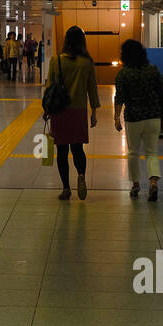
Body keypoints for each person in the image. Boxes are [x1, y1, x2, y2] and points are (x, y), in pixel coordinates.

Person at [45, 26, 99, 200]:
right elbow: (92, 88)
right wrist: (94, 112)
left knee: (61, 151)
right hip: (79, 111)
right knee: (77, 148)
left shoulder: (56, 60)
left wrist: (46, 109)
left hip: (60, 111)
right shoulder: (87, 62)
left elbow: (49, 87)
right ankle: (81, 175)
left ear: (66, 40)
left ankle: (66, 188)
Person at [114, 38, 163, 202]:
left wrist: (116, 117)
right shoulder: (152, 70)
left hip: (134, 118)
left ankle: (136, 185)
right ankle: (153, 183)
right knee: (152, 152)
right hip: (153, 116)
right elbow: (162, 91)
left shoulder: (123, 73)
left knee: (133, 152)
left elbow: (120, 98)